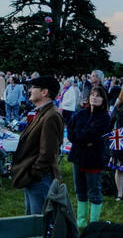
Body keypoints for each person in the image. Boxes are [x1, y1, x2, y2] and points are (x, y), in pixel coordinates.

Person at [9, 78, 61, 216]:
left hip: (40, 178)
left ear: (44, 92)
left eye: (33, 87)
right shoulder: (43, 113)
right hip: (35, 177)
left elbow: (48, 153)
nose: (30, 90)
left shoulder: (51, 116)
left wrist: (33, 174)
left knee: (39, 225)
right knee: (32, 221)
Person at [66, 86, 111, 227]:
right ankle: (81, 222)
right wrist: (83, 138)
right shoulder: (81, 113)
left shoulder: (104, 117)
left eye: (98, 95)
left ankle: (94, 224)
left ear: (103, 99)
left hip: (94, 158)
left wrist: (82, 136)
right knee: (80, 190)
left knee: (94, 191)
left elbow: (93, 134)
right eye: (92, 94)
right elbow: (71, 132)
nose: (94, 97)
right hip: (78, 156)